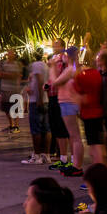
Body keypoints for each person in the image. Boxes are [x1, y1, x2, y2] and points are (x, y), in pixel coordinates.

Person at [51, 47, 85, 175]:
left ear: (69, 56)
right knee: (75, 136)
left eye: (64, 54)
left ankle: (77, 166)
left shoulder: (70, 69)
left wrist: (52, 67)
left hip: (68, 103)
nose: (62, 56)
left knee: (75, 136)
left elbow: (55, 82)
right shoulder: (74, 69)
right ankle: (76, 165)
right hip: (69, 102)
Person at [73, 54, 107, 167]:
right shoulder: (98, 74)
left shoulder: (81, 77)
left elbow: (79, 96)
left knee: (94, 145)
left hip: (88, 113)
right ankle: (100, 170)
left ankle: (98, 173)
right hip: (99, 111)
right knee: (98, 144)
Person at [46, 39, 71, 170]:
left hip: (61, 95)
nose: (54, 47)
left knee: (63, 127)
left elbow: (65, 75)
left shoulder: (64, 59)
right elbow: (51, 78)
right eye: (53, 45)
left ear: (62, 46)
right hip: (52, 95)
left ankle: (68, 158)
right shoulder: (53, 59)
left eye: (56, 45)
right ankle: (62, 157)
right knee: (56, 126)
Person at [22, 49, 50, 166]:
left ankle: (37, 156)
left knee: (36, 129)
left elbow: (40, 81)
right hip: (45, 100)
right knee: (46, 129)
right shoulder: (45, 65)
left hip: (37, 101)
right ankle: (45, 155)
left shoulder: (36, 66)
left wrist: (38, 99)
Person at [0, 48, 23, 134]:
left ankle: (16, 126)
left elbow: (18, 75)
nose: (10, 54)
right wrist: (11, 75)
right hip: (5, 89)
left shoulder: (18, 64)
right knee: (6, 109)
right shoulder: (2, 63)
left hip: (15, 89)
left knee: (16, 109)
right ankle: (11, 125)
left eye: (12, 53)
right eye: (9, 53)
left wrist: (5, 74)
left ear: (15, 55)